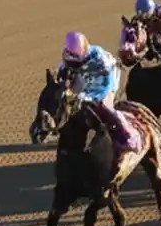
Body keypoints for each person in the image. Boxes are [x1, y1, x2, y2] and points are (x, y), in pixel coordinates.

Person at [57, 31, 140, 172]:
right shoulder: (69, 52)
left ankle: (130, 135)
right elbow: (64, 70)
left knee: (105, 106)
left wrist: (87, 96)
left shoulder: (100, 58)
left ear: (84, 49)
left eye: (76, 56)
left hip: (107, 80)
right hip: (85, 78)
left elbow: (105, 86)